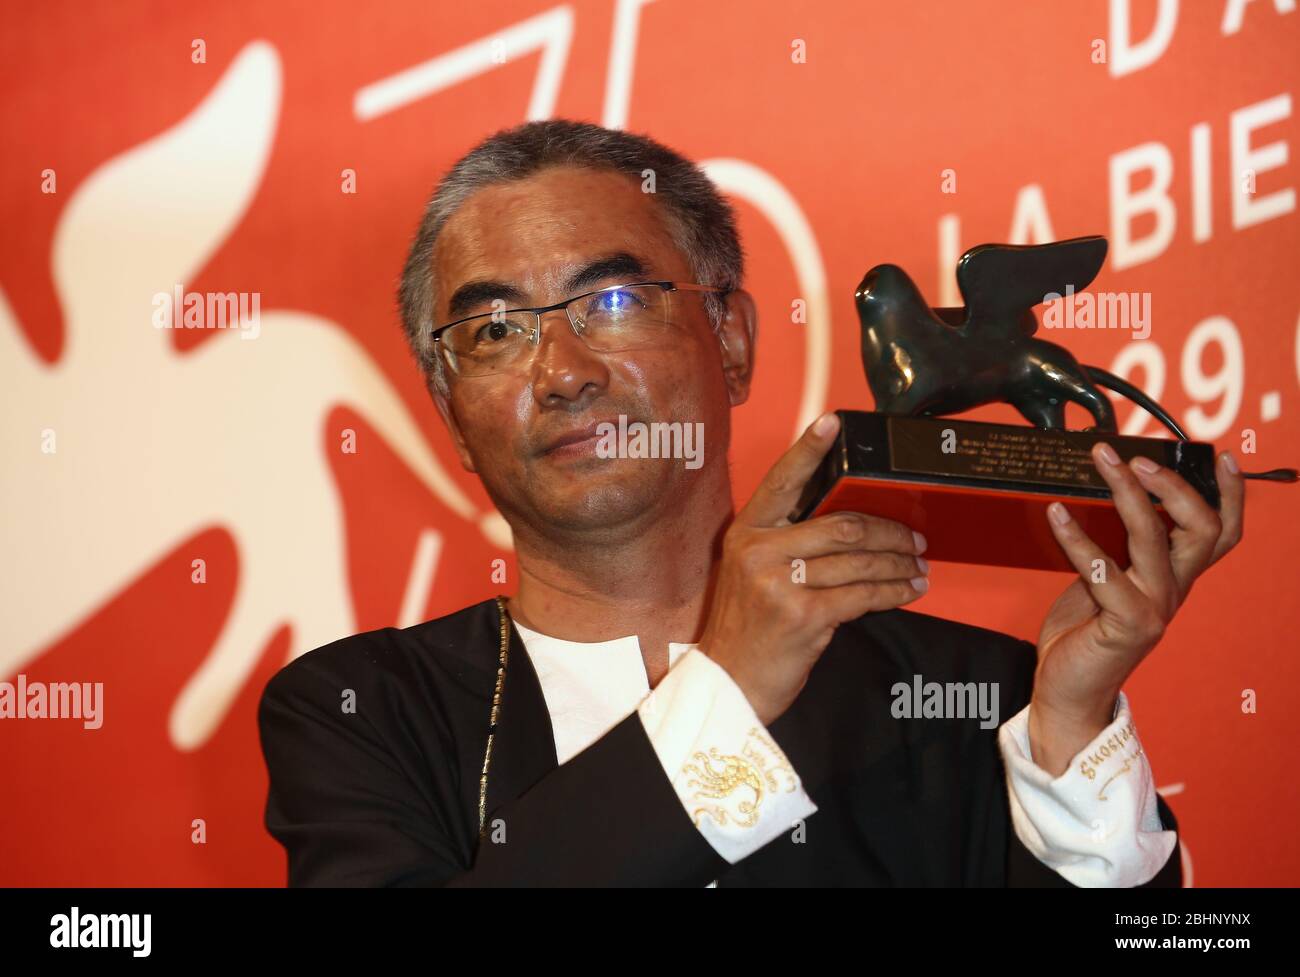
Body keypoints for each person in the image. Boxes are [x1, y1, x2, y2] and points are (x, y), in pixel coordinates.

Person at [257, 119, 1244, 887]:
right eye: (494, 332)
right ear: (452, 417)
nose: (560, 372)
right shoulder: (363, 712)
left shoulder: (980, 696)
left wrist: (1068, 731)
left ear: (731, 341)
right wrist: (726, 682)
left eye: (612, 303)